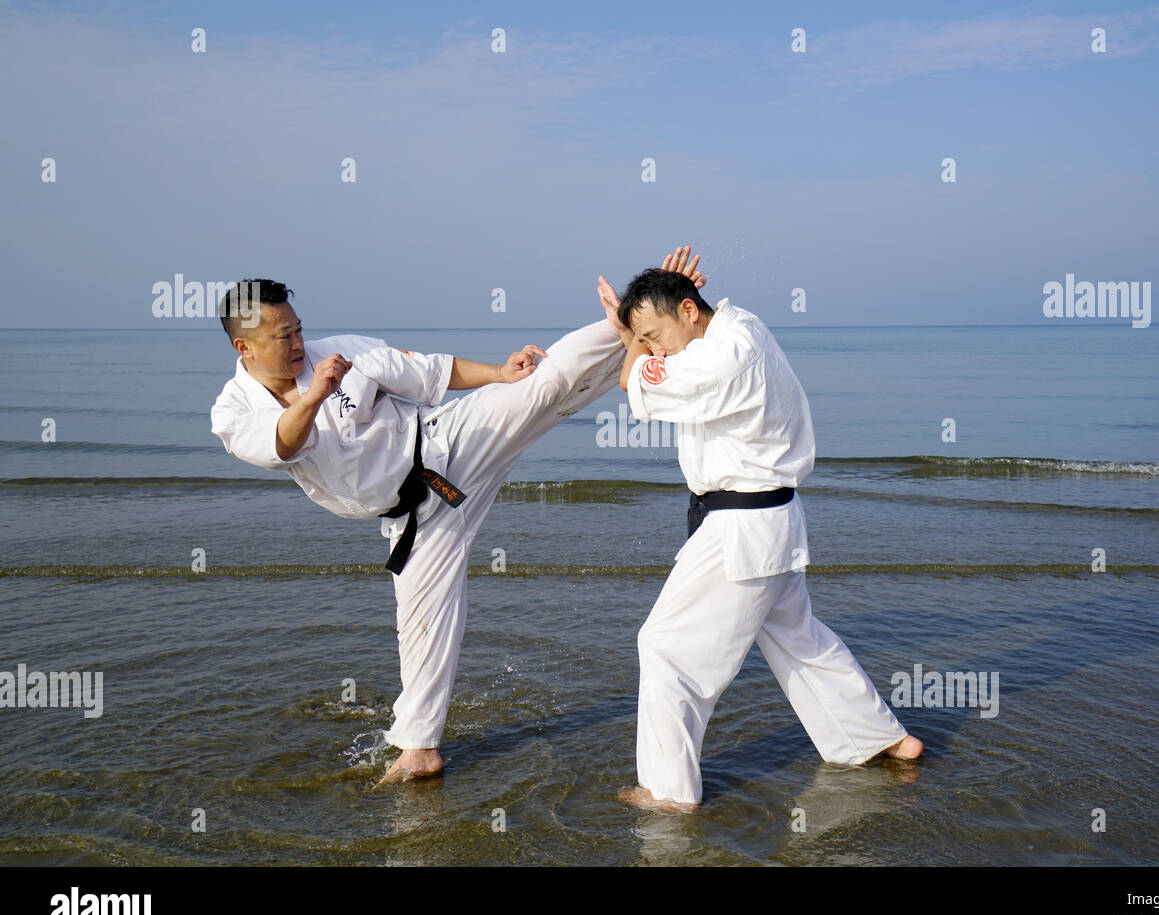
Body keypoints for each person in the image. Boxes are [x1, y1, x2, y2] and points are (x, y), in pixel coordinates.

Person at [210, 254, 704, 784]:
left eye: (299, 329)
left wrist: (498, 373)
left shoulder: (340, 352)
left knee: (541, 389)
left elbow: (425, 370)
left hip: (447, 444)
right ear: (245, 346)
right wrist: (313, 397)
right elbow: (283, 443)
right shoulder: (234, 412)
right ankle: (420, 750)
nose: (299, 344)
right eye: (284, 336)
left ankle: (639, 324)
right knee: (421, 626)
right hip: (415, 518)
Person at [597, 262, 923, 811]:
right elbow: (664, 351)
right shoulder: (742, 324)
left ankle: (669, 792)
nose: (655, 349)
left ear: (688, 310)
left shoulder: (718, 357)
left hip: (740, 528)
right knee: (799, 639)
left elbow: (633, 383)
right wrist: (646, 322)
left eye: (656, 336)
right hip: (771, 521)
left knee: (666, 650)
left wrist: (627, 337)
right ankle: (884, 739)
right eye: (646, 340)